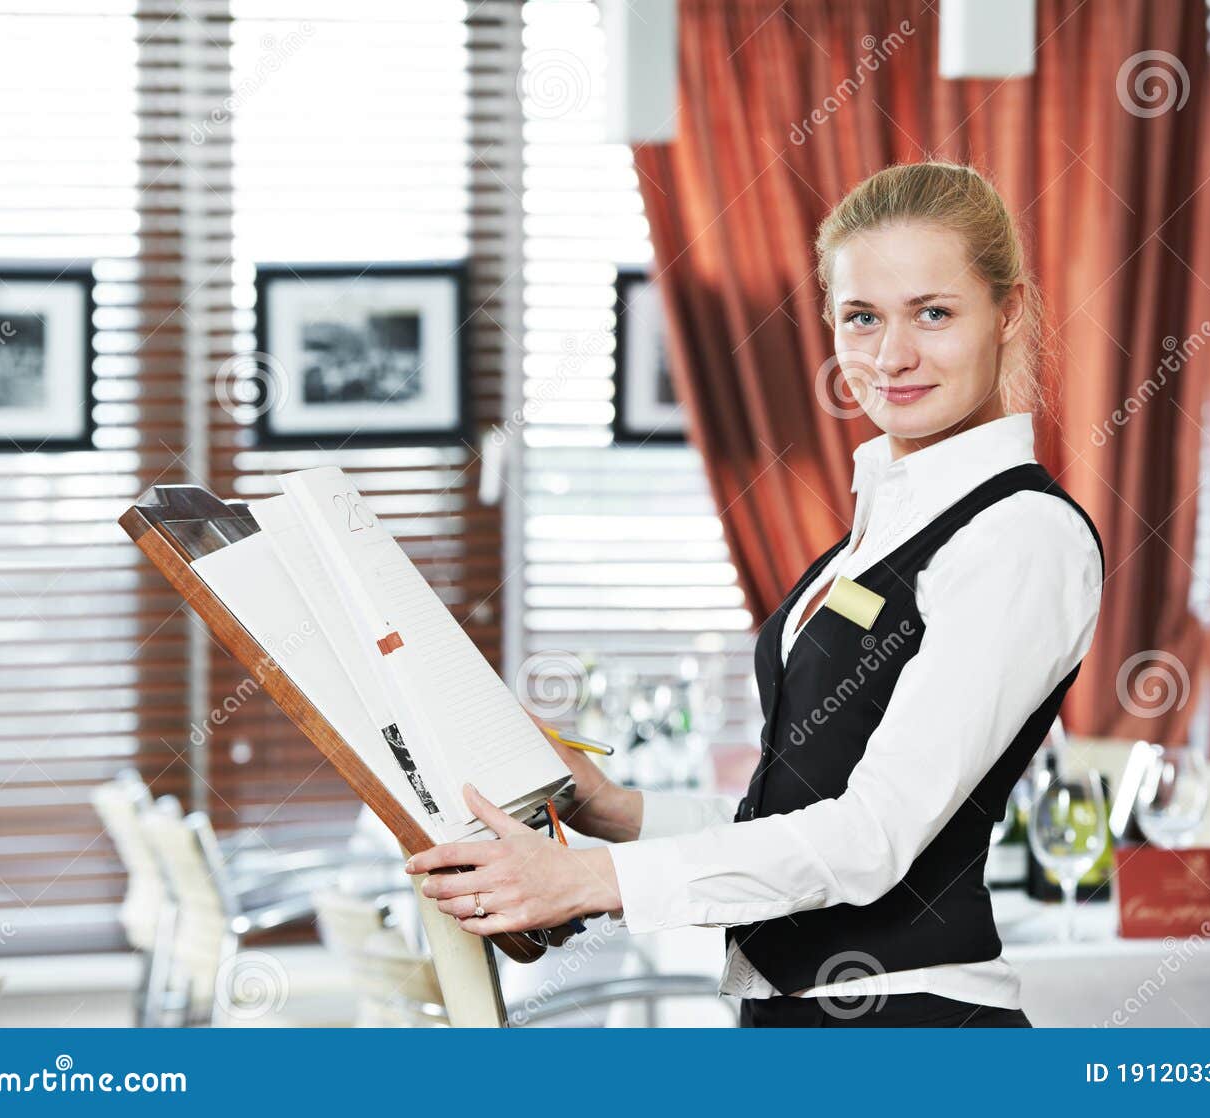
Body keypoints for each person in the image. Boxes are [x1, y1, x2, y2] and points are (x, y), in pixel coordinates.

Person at [405, 160, 1105, 1028]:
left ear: (1010, 313)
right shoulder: (878, 527)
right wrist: (619, 814)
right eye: (862, 318)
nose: (892, 356)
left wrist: (589, 881)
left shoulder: (1020, 536)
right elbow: (802, 809)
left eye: (934, 313)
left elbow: (873, 836)